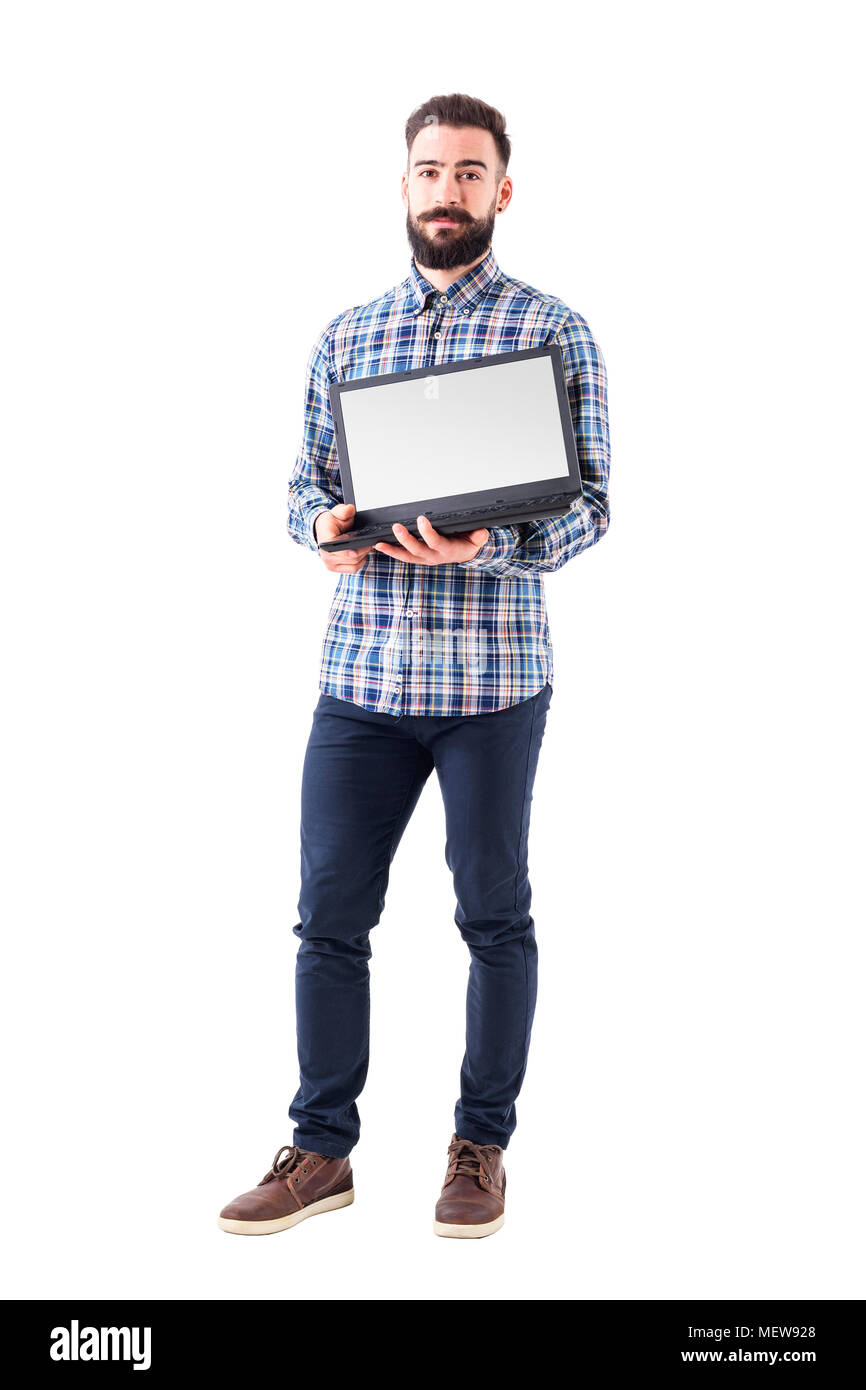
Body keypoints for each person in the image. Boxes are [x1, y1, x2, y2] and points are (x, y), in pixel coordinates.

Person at [219, 92, 610, 1240]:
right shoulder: (345, 336)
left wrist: (500, 544)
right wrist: (325, 529)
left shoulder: (555, 329)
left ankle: (479, 1146)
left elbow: (591, 504)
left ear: (502, 189)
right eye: (429, 171)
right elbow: (299, 488)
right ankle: (321, 1150)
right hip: (362, 685)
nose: (447, 190)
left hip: (492, 686)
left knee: (493, 915)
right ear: (403, 186)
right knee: (327, 917)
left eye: (469, 172)